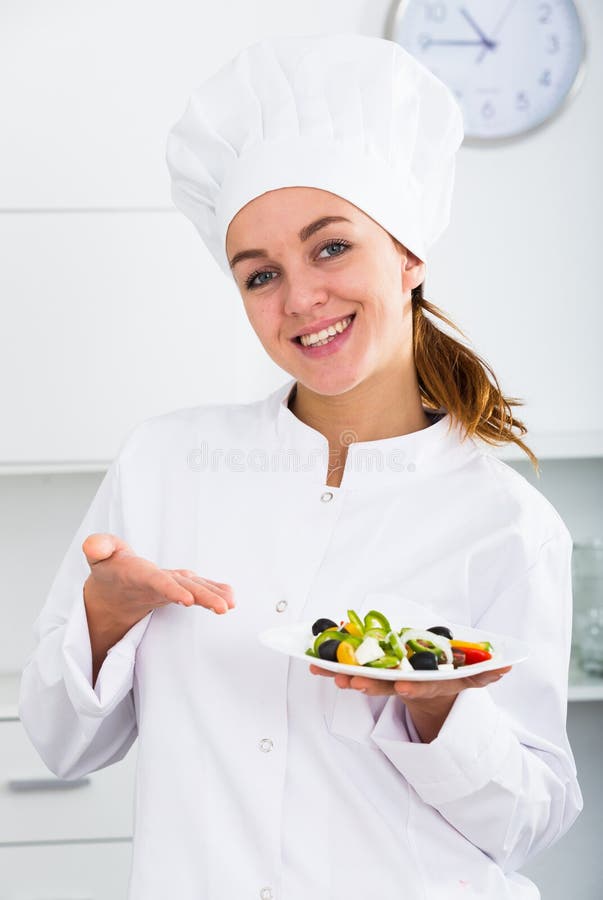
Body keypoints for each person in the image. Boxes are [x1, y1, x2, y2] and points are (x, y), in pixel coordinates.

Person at [19, 32, 582, 900]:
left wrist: (438, 709)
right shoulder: (167, 465)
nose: (300, 299)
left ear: (408, 254)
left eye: (330, 248)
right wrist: (105, 615)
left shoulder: (503, 522)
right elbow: (62, 744)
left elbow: (530, 824)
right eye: (258, 275)